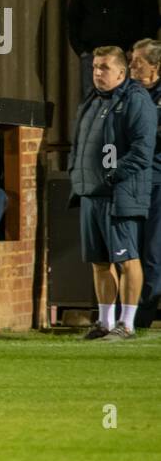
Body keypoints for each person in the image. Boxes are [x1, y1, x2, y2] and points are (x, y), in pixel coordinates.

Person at [67, 46, 157, 341]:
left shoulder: (136, 99)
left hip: (120, 194)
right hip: (91, 193)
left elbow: (142, 152)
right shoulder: (93, 99)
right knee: (99, 261)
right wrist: (76, 173)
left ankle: (127, 324)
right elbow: (79, 143)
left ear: (121, 71)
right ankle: (105, 322)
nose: (96, 72)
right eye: (94, 67)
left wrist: (112, 175)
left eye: (104, 68)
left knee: (127, 258)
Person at [128, 39, 161, 328]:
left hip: (156, 180)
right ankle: (123, 313)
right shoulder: (126, 93)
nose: (132, 66)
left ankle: (144, 316)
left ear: (155, 66)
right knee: (129, 248)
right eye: (130, 60)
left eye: (138, 61)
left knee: (152, 250)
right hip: (129, 182)